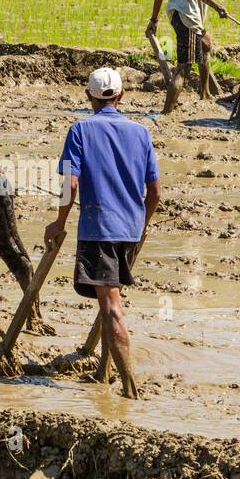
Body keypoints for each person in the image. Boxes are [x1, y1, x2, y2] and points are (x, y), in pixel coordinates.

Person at [45, 67, 161, 399]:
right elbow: (154, 192)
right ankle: (103, 372)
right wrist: (142, 225)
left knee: (110, 306)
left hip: (99, 229)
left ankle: (129, 387)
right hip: (129, 229)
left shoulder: (79, 130)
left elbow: (70, 182)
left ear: (88, 97)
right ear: (121, 96)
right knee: (107, 296)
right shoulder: (141, 133)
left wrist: (59, 222)